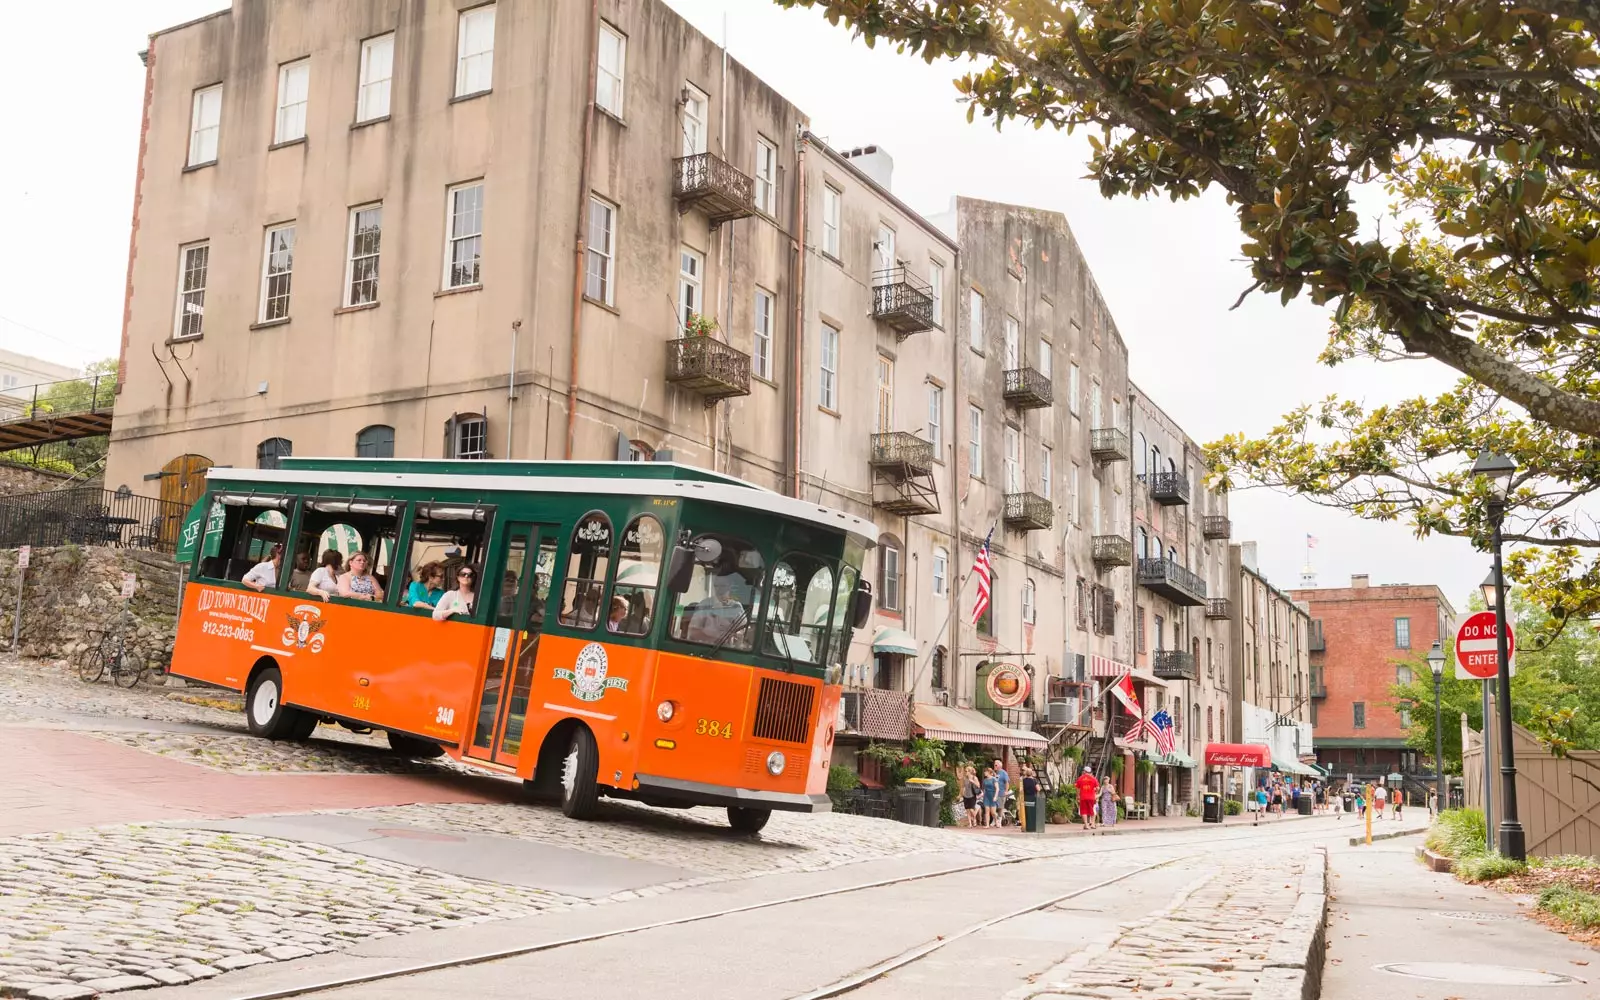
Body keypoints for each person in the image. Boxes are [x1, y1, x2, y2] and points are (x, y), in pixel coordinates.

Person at [686, 577, 746, 645]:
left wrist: (736, 636)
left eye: (722, 585)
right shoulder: (705, 605)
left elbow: (743, 631)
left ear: (730, 585)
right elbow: (693, 632)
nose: (719, 588)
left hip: (729, 651)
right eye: (716, 585)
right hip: (706, 649)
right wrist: (717, 640)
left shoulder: (736, 607)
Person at [1076, 767, 1099, 831]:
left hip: (1083, 797)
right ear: (1089, 772)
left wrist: (1077, 796)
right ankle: (1092, 824)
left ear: (1084, 771)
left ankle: (1086, 825)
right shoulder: (1093, 779)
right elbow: (1097, 788)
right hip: (1091, 797)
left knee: (1083, 811)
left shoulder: (1080, 778)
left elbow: (1078, 789)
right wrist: (1094, 791)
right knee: (1092, 810)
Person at [992, 757, 1011, 827]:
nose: (994, 766)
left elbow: (1007, 783)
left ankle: (999, 821)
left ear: (1000, 766)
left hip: (1001, 793)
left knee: (1000, 807)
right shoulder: (994, 773)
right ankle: (995, 820)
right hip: (994, 793)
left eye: (996, 765)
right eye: (994, 764)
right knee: (993, 807)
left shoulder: (1003, 773)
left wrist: (1006, 791)